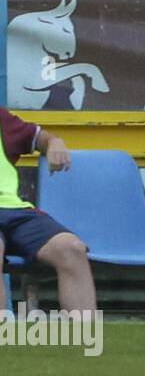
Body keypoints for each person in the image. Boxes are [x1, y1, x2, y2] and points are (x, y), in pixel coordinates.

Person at [0, 110, 96, 315]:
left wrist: (55, 142)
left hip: (15, 210)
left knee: (71, 248)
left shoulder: (2, 119)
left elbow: (38, 136)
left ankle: (86, 340)